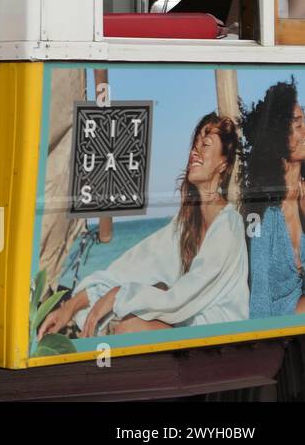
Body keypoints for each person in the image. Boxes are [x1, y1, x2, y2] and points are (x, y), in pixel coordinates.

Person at [38, 113, 249, 339]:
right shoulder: (186, 225)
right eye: (194, 144)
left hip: (224, 339)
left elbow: (180, 298)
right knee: (128, 323)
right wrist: (69, 308)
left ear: (223, 164)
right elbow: (134, 268)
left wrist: (117, 296)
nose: (194, 151)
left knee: (129, 326)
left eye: (205, 145)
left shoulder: (228, 225)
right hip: (194, 330)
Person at [242, 81, 305, 317]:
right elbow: (259, 285)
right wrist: (261, 338)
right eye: (297, 123)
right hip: (275, 318)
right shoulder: (259, 207)